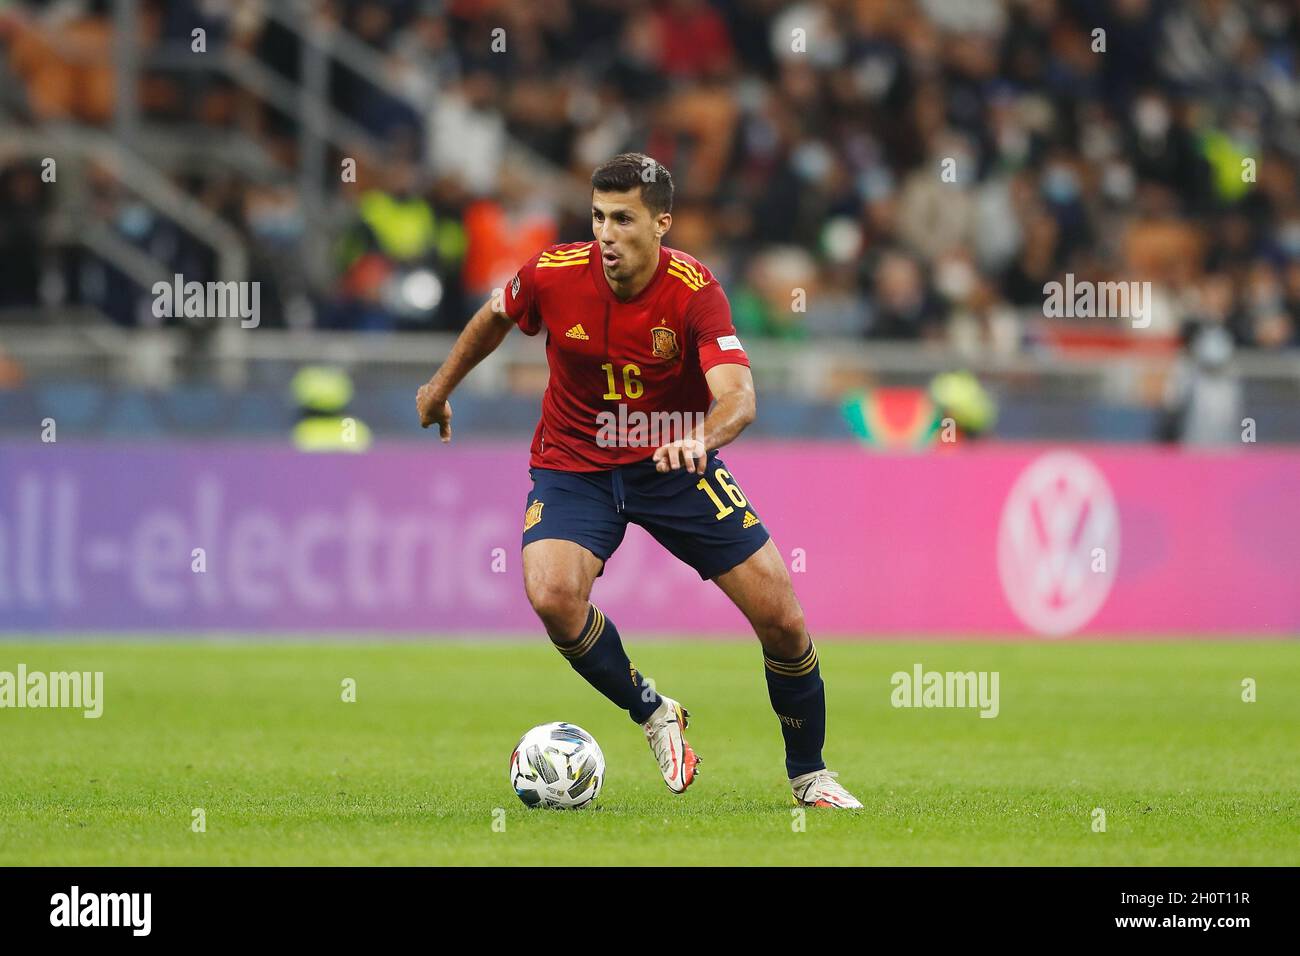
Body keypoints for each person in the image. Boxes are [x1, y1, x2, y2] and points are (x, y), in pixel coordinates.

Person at [416, 153, 860, 808]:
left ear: (661, 224)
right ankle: (653, 712)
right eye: (598, 217)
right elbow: (493, 319)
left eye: (623, 219)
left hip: (673, 464)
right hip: (575, 463)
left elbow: (738, 398)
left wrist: (699, 439)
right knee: (552, 596)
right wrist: (439, 386)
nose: (606, 234)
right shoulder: (554, 272)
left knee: (783, 618)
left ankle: (810, 775)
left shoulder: (695, 291)